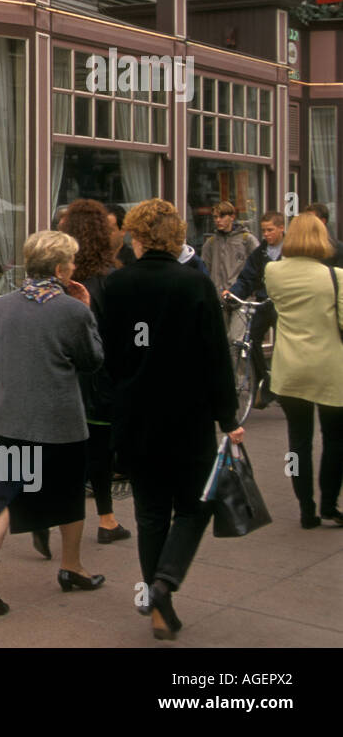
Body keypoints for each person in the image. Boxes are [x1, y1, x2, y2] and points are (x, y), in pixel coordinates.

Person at [101, 199, 244, 641]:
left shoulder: (117, 285)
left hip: (136, 416)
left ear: (137, 235)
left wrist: (113, 413)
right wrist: (227, 416)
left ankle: (159, 605)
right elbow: (216, 357)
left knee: (149, 514)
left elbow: (108, 360)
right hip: (189, 416)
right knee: (196, 506)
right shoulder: (195, 285)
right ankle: (166, 582)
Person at [0, 231, 106, 615]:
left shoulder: (3, 306)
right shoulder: (73, 310)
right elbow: (93, 360)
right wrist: (86, 309)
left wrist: (11, 376)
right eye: (72, 262)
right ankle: (71, 567)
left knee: (3, 493)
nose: (74, 268)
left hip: (10, 418)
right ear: (60, 269)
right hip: (59, 421)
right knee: (69, 493)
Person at [263, 213, 343, 528]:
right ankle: (329, 504)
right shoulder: (336, 276)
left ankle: (305, 509)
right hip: (329, 368)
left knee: (298, 443)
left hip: (290, 367)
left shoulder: (273, 271)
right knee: (335, 439)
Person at [57, 199, 129, 544]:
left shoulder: (59, 282)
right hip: (99, 381)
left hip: (61, 379)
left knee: (65, 453)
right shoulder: (110, 281)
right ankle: (107, 518)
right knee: (99, 452)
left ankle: (49, 516)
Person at [229, 211, 286, 408]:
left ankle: (281, 385)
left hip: (283, 305)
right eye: (263, 231)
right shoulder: (260, 253)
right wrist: (233, 294)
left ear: (281, 228)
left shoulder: (291, 251)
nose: (266, 234)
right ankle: (265, 380)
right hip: (264, 302)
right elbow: (247, 278)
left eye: (270, 230)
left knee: (283, 344)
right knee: (251, 339)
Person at [201, 201, 260, 342]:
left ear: (232, 217)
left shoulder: (247, 240)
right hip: (218, 298)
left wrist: (253, 291)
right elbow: (204, 270)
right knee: (219, 340)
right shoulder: (211, 243)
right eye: (215, 217)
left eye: (222, 216)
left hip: (241, 298)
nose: (218, 220)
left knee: (236, 340)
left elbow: (258, 267)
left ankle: (239, 363)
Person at [305, 202, 343, 267]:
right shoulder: (300, 246)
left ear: (322, 221)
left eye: (311, 219)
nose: (306, 222)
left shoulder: (338, 249)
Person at [106, 202, 135, 267]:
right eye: (100, 230)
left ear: (123, 231)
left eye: (108, 230)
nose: (103, 235)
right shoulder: (92, 260)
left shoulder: (134, 261)